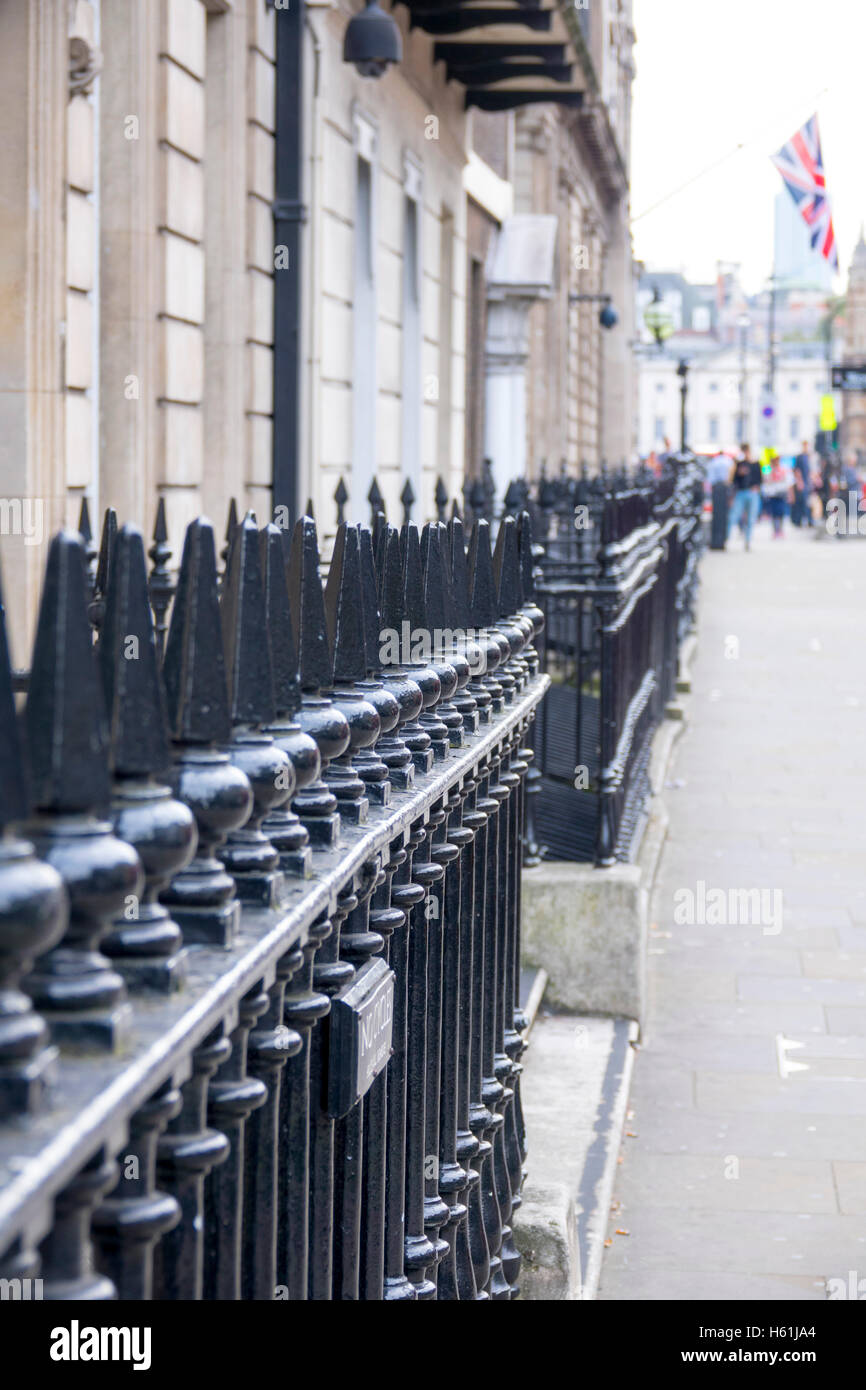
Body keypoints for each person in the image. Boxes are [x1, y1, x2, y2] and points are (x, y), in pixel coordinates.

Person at [728, 445, 758, 548]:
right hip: (741, 492)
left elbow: (759, 479)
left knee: (750, 518)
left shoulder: (755, 464)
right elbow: (733, 480)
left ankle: (748, 540)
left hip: (752, 492)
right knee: (734, 516)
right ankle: (727, 538)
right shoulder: (739, 464)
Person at [763, 452, 791, 538]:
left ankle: (781, 530)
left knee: (781, 512)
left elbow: (788, 481)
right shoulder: (768, 468)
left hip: (781, 493)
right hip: (772, 494)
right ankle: (775, 530)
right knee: (774, 513)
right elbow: (765, 478)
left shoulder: (783, 469)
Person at [792, 441, 813, 527]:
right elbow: (797, 470)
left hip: (807, 483)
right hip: (802, 484)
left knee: (806, 503)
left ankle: (807, 520)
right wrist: (800, 482)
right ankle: (800, 521)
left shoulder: (808, 457)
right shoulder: (800, 457)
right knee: (803, 503)